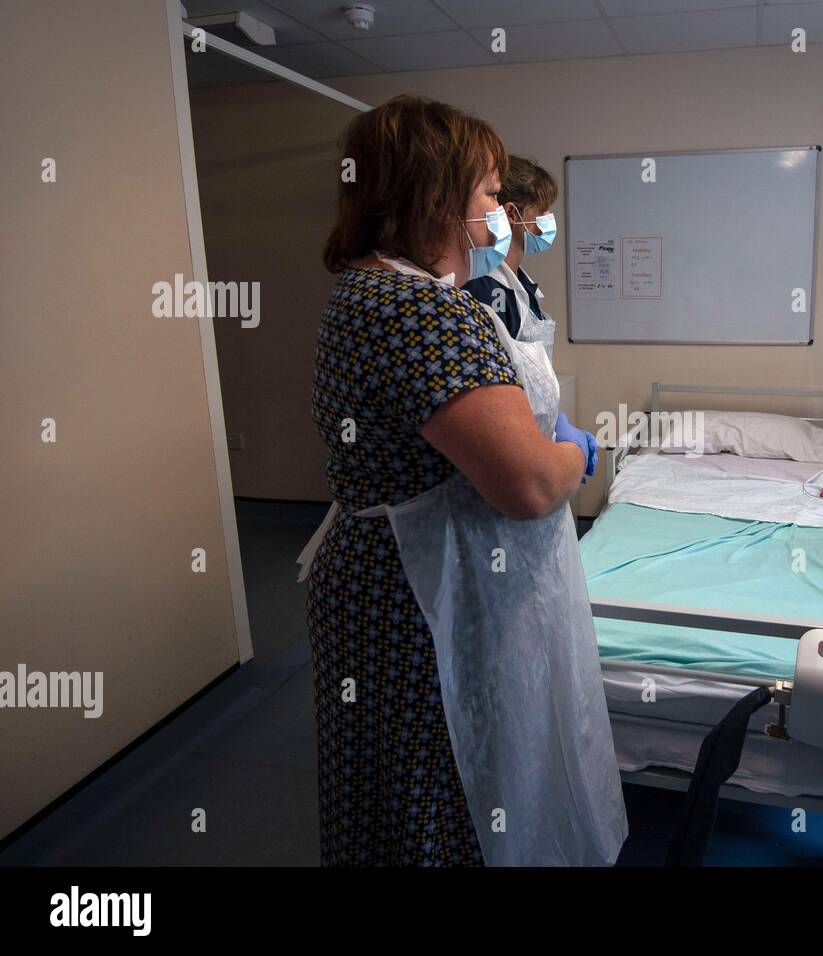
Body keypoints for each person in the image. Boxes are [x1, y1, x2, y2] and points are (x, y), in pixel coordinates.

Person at [298, 95, 626, 866]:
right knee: (443, 781)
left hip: (384, 576)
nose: (499, 210)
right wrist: (578, 455)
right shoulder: (422, 311)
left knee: (393, 785)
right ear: (434, 194)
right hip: (421, 594)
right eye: (486, 191)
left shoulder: (367, 292)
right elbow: (530, 488)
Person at [462, 154, 559, 361]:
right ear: (512, 214)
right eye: (542, 210)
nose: (548, 218)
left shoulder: (523, 286)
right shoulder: (483, 287)